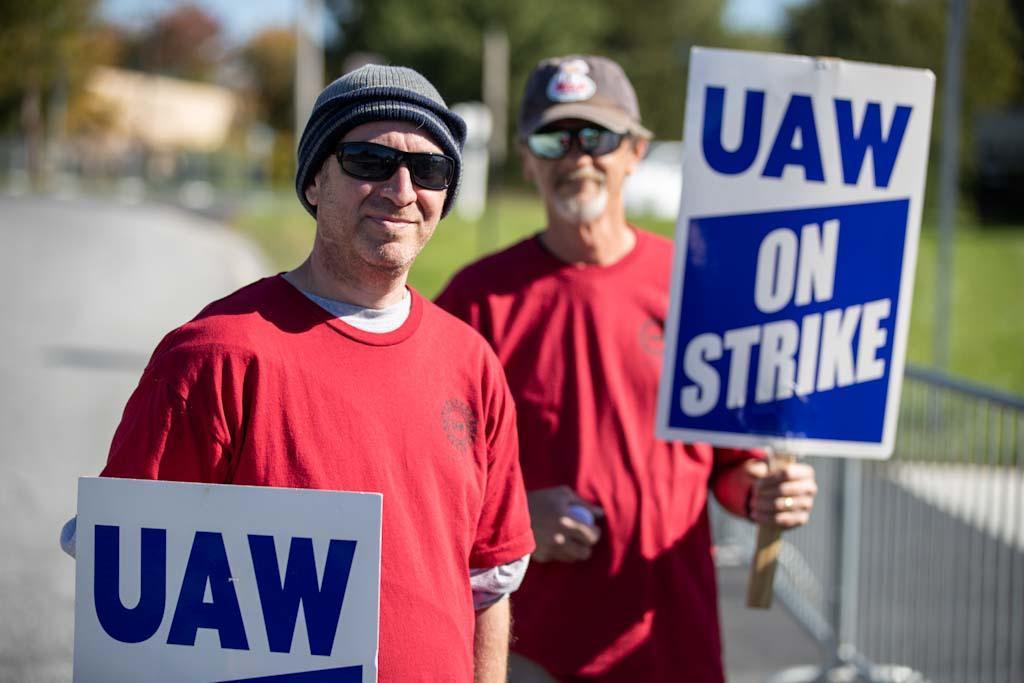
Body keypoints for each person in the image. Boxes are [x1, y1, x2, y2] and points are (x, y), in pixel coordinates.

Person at [71, 65, 535, 682]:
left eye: (429, 170)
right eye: (368, 160)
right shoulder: (213, 354)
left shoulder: (472, 361)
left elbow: (487, 580)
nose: (401, 189)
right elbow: (130, 586)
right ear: (314, 181)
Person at [436, 55, 818, 683]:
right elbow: (431, 481)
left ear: (635, 152)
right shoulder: (477, 301)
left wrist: (760, 493)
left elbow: (725, 465)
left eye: (599, 136)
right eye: (554, 138)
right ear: (527, 158)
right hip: (531, 649)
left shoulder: (698, 285)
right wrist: (516, 519)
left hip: (671, 637)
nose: (577, 156)